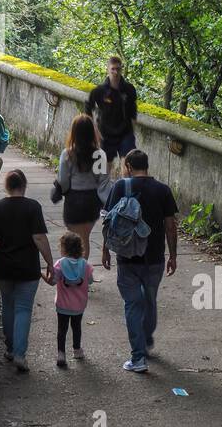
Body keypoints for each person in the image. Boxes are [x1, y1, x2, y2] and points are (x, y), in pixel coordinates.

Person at [100, 148, 178, 373]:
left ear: (128, 167)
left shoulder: (120, 187)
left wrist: (105, 250)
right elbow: (170, 226)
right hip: (154, 258)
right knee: (150, 299)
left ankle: (138, 358)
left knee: (133, 304)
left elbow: (109, 222)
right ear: (147, 165)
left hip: (127, 257)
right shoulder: (163, 190)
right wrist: (172, 255)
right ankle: (146, 341)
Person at [0, 169, 54, 373]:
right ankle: (20, 354)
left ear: (7, 186)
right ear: (24, 186)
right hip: (28, 269)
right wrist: (49, 261)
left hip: (4, 268)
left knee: (8, 306)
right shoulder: (33, 207)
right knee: (23, 309)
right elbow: (39, 238)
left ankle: (11, 349)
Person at [55, 113, 110, 259]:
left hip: (74, 200)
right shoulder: (99, 154)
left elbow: (63, 180)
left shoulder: (68, 154)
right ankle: (82, 272)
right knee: (85, 238)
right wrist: (106, 202)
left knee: (73, 239)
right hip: (92, 201)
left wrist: (63, 191)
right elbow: (102, 181)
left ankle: (71, 272)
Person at [85, 55, 139, 171]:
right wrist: (95, 131)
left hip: (125, 133)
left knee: (128, 169)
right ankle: (102, 189)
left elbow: (133, 111)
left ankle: (125, 188)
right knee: (101, 172)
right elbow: (88, 109)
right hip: (105, 135)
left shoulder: (129, 89)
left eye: (118, 69)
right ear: (108, 70)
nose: (115, 72)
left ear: (121, 70)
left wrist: (132, 131)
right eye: (113, 69)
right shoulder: (99, 91)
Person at [53, 231, 93, 369]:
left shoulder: (59, 264)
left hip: (63, 304)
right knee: (76, 327)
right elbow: (91, 281)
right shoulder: (85, 265)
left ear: (63, 248)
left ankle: (61, 354)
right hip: (79, 305)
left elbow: (53, 280)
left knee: (61, 329)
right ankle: (77, 350)